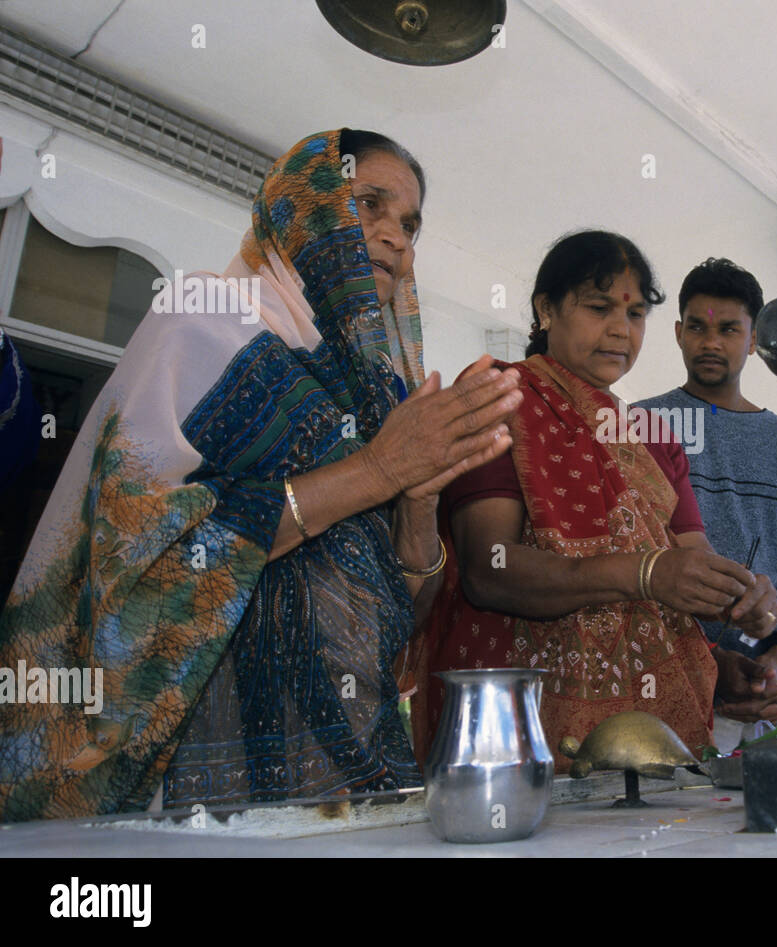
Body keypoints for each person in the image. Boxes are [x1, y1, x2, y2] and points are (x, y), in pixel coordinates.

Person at [0, 129, 522, 820]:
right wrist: (376, 469)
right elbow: (135, 560)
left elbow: (399, 613)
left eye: (410, 223)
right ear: (301, 213)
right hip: (205, 771)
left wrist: (420, 497)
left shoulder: (381, 393)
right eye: (369, 204)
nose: (396, 237)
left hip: (355, 765)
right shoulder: (202, 323)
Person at [409, 231, 777, 771]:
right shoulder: (499, 401)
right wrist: (645, 574)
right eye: (599, 307)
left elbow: (690, 570)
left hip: (653, 738)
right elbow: (488, 570)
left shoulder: (653, 438)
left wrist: (742, 609)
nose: (620, 330)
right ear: (546, 309)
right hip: (515, 733)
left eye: (636, 315)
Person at [636, 258, 777, 728]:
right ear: (677, 333)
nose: (710, 342)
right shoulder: (636, 426)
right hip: (672, 687)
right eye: (696, 327)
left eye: (729, 329)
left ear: (754, 341)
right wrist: (705, 661)